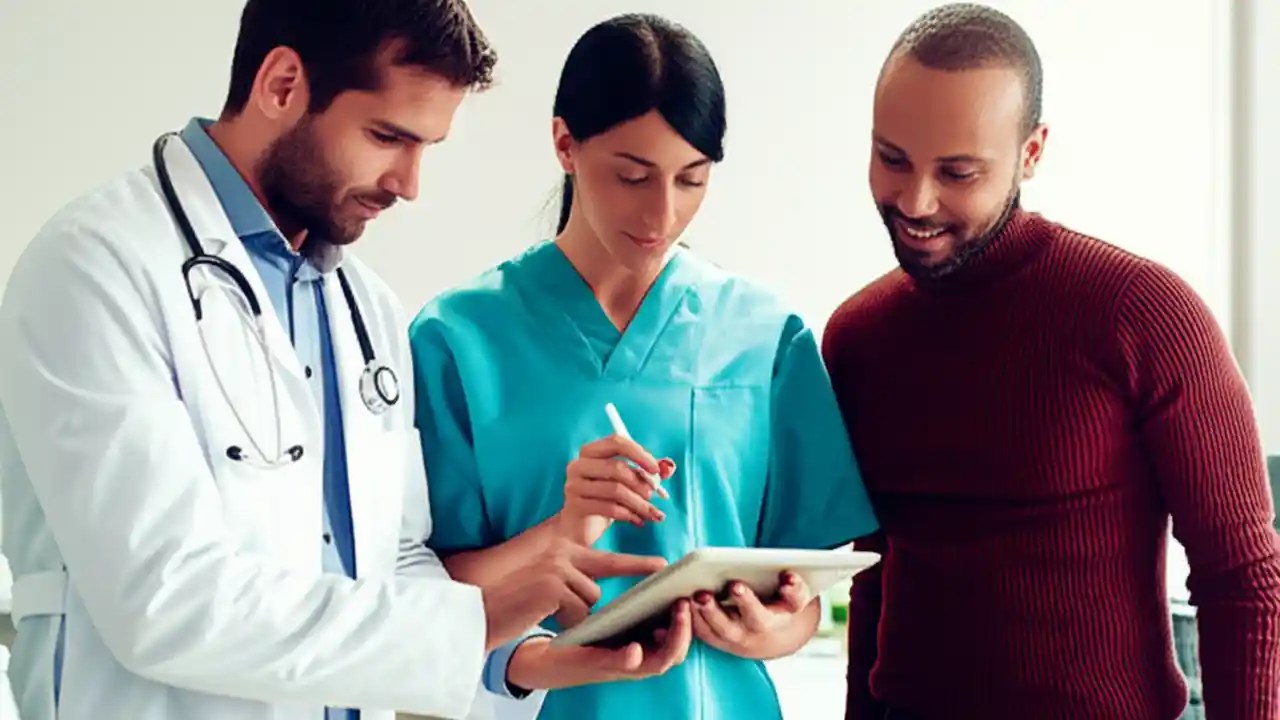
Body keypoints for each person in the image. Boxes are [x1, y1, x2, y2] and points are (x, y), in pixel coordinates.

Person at [0, 2, 669, 719]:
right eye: (387, 136)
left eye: (427, 147)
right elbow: (167, 599)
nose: (409, 183)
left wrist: (521, 654)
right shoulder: (97, 267)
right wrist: (475, 618)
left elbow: (392, 562)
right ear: (283, 84)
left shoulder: (365, 308)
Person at [407, 11, 880, 720]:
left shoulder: (764, 335)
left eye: (692, 179)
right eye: (632, 175)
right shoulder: (459, 337)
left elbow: (804, 595)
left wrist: (770, 631)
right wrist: (563, 530)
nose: (663, 212)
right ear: (565, 144)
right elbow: (424, 588)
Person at [822, 3, 1280, 719]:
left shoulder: (1145, 315)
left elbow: (1243, 577)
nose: (915, 199)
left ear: (1030, 153)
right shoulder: (856, 335)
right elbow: (873, 577)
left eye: (958, 171)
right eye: (892, 159)